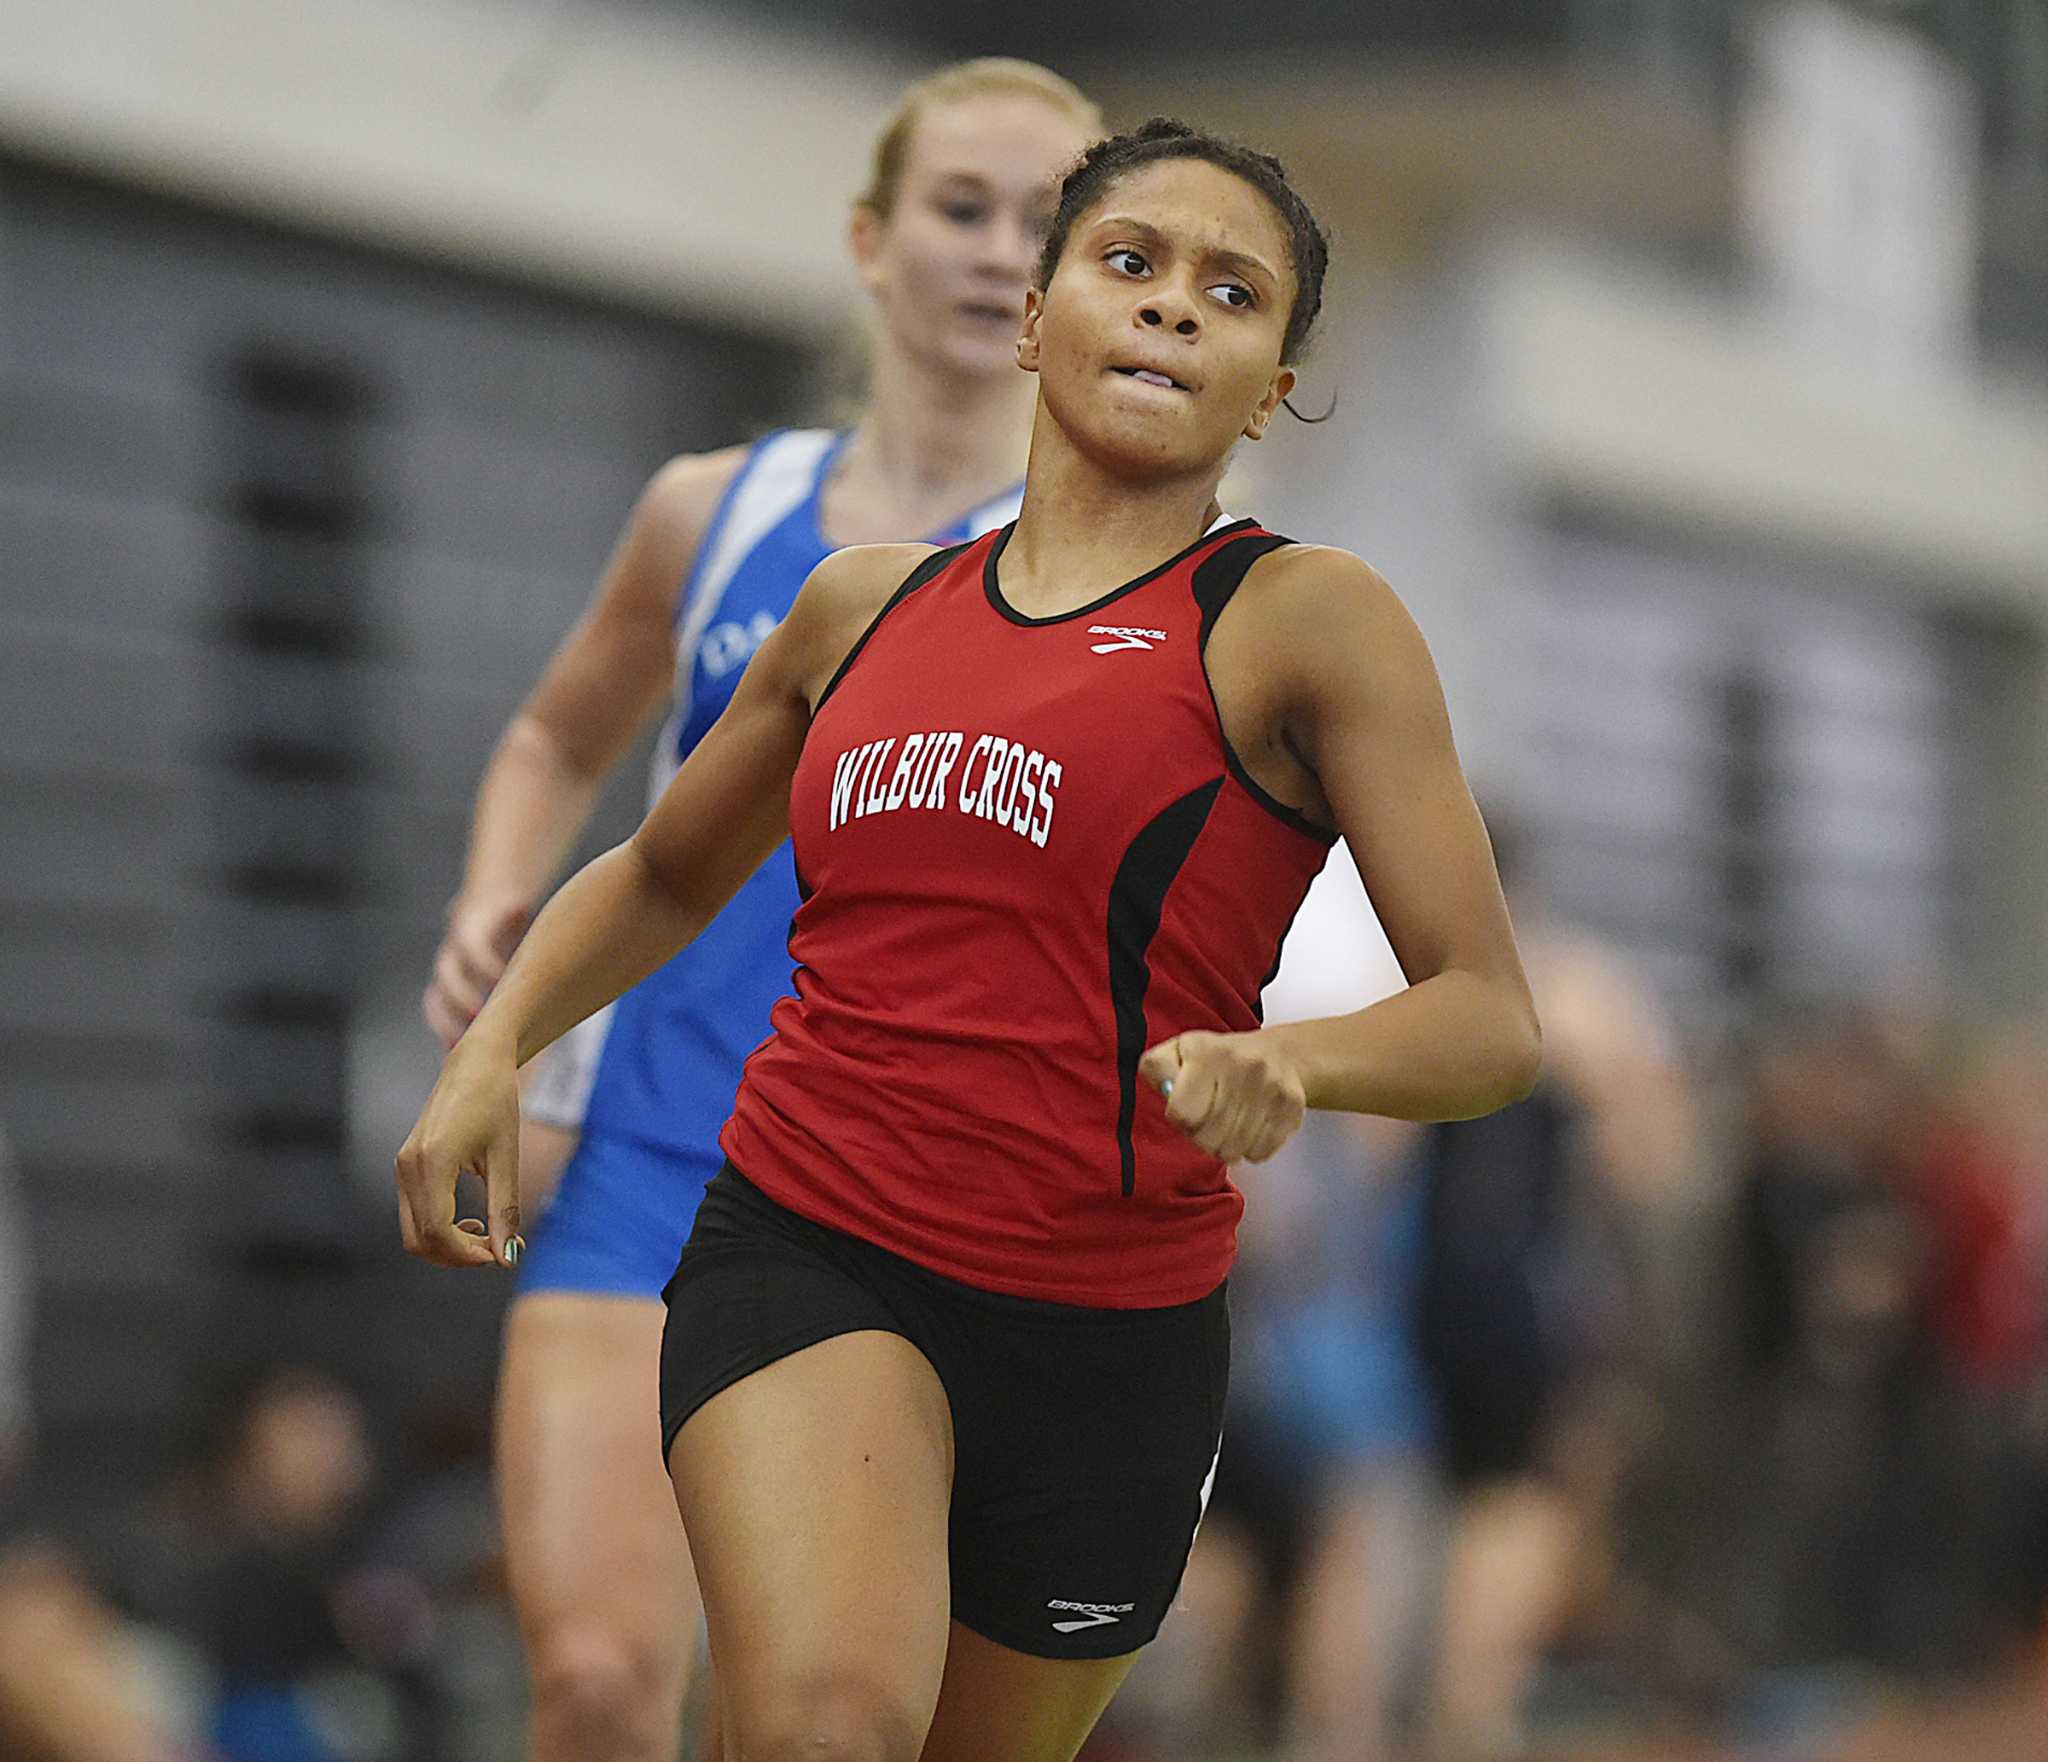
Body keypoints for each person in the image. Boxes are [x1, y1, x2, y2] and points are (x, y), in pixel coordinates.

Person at [399, 116, 1541, 1762]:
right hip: (811, 1237)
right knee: (823, 1728)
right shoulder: (861, 608)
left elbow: (1490, 1016)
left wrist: (1295, 1057)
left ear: (1274, 381)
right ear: (1034, 315)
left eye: (1229, 293)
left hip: (1112, 1328)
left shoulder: (1311, 620)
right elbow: (659, 872)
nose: (1168, 309)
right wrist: (490, 1047)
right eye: (1129, 263)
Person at [418, 59, 1100, 1762]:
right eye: (960, 207)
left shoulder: (1120, 572)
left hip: (905, 1205)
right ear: (871, 240)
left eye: (1047, 223)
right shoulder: (709, 511)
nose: (997, 250)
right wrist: (503, 895)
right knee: (588, 1679)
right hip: (648, 1157)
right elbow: (559, 732)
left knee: (809, 1724)